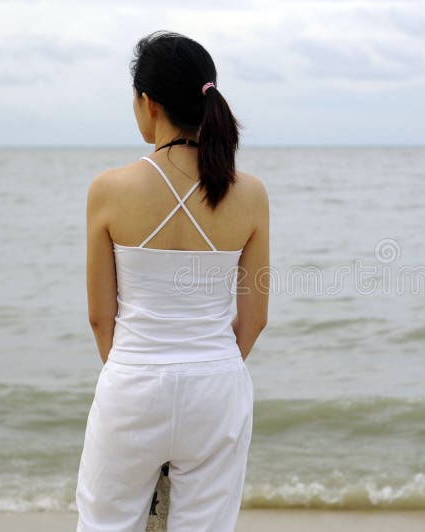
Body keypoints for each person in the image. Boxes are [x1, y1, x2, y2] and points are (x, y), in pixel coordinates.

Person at [76, 30, 270, 531]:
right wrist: (206, 367)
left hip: (133, 382)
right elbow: (255, 318)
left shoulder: (109, 189)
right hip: (217, 387)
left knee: (105, 524)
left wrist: (139, 375)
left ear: (149, 103)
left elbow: (100, 317)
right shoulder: (249, 193)